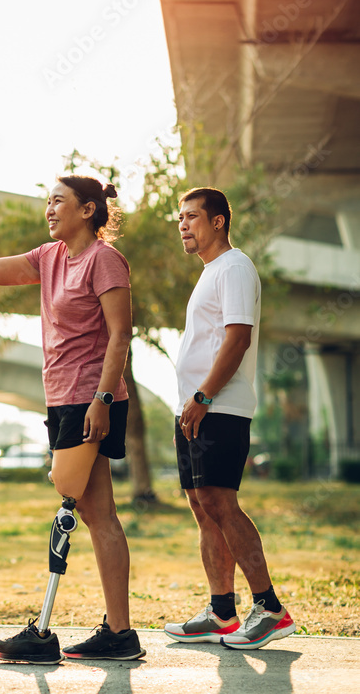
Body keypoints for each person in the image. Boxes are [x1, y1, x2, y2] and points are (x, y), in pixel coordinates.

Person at [0, 175, 145, 665]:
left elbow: (121, 334)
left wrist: (103, 399)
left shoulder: (104, 260)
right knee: (97, 513)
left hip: (91, 397)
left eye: (58, 201)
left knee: (69, 495)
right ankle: (120, 634)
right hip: (63, 398)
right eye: (47, 201)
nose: (48, 208)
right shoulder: (50, 257)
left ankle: (42, 634)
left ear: (87, 210)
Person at [165, 187, 296, 651]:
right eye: (179, 218)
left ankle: (270, 609)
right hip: (196, 408)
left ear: (218, 221)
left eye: (192, 216)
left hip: (219, 406)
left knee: (221, 503)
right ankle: (222, 610)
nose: (183, 225)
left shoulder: (235, 267)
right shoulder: (211, 272)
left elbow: (237, 338)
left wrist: (203, 394)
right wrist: (190, 401)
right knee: (204, 509)